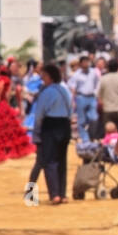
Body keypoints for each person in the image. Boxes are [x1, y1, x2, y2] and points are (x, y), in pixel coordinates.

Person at [31, 62, 73, 205]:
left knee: (50, 161)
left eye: (44, 77)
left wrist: (36, 133)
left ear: (49, 77)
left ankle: (54, 194)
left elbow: (39, 115)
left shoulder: (46, 92)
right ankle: (63, 194)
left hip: (50, 126)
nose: (43, 80)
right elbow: (70, 111)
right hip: (65, 125)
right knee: (62, 160)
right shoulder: (64, 91)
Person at [0, 65, 34, 167]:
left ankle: (2, 151)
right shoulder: (4, 80)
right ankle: (7, 151)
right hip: (1, 105)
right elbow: (5, 95)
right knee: (6, 130)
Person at [67, 54, 100, 146]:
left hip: (92, 97)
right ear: (81, 64)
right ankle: (85, 139)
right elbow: (73, 88)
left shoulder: (93, 72)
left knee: (94, 118)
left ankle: (92, 135)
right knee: (81, 120)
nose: (86, 63)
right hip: (81, 97)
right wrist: (73, 101)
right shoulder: (77, 75)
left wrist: (96, 94)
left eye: (87, 62)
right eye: (84, 62)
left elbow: (97, 84)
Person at [97, 57, 118, 128]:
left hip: (108, 110)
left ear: (108, 67)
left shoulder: (103, 79)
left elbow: (97, 94)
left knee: (110, 134)